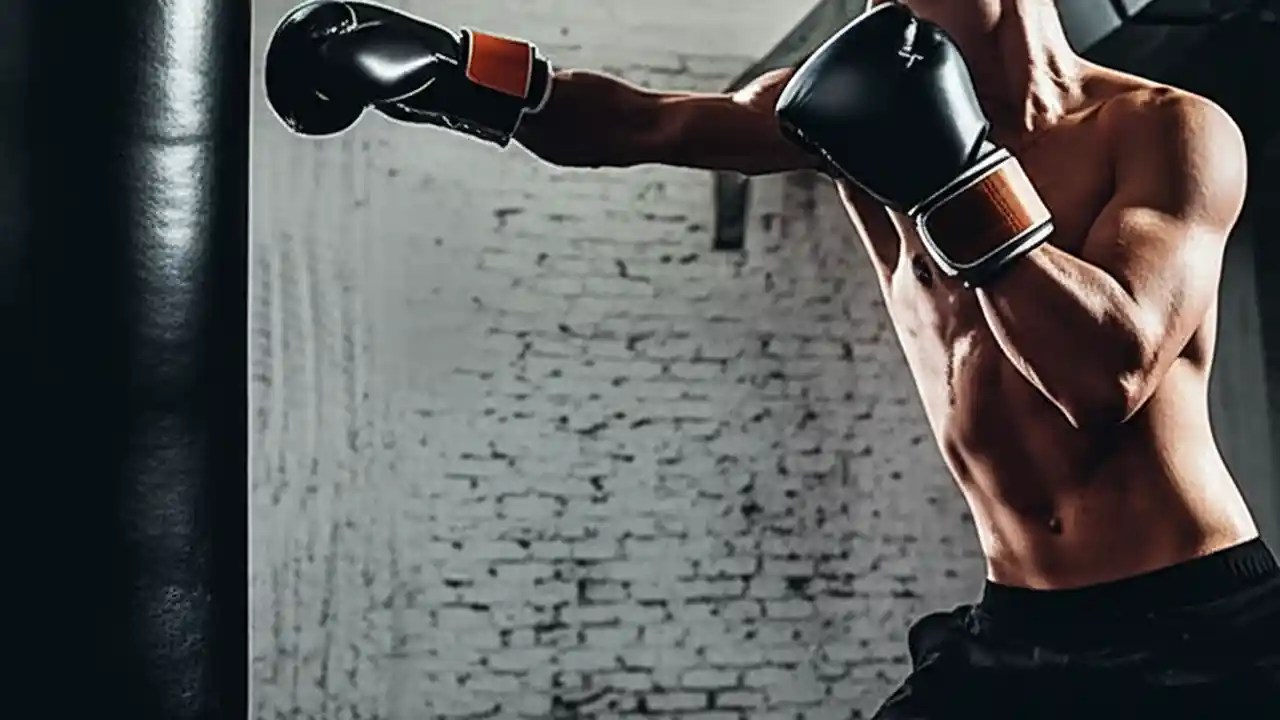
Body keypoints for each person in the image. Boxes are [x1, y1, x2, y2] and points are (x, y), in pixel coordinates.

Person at [264, 0, 1280, 716]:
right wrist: (455, 69)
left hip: (1199, 627)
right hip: (1015, 628)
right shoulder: (835, 112)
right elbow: (636, 123)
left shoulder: (1165, 129)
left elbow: (1104, 376)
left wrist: (954, 175)